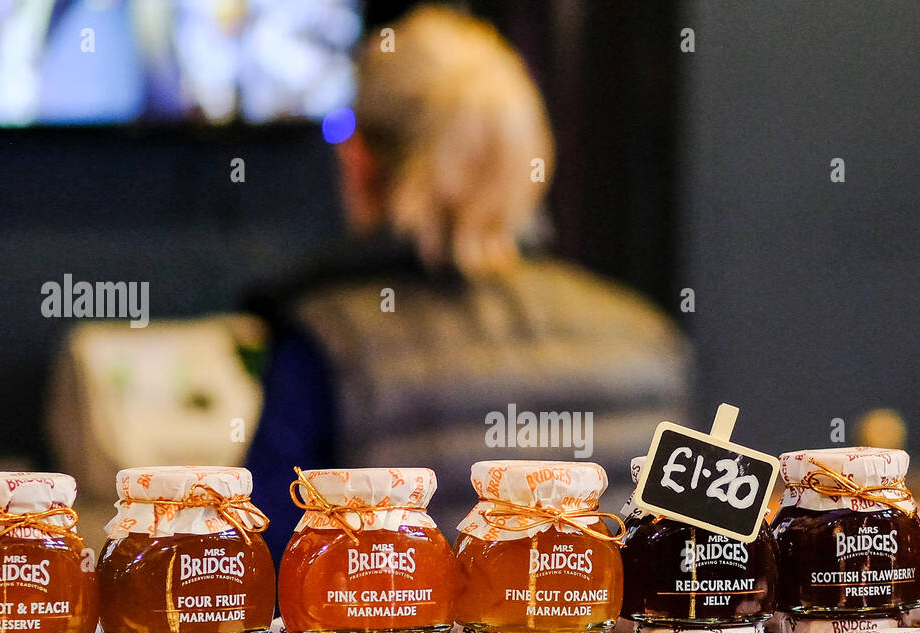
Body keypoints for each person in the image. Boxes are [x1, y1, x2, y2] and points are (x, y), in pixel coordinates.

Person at [245, 5, 689, 558]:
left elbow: (255, 589)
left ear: (359, 159)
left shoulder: (324, 344)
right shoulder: (645, 336)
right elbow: (681, 583)